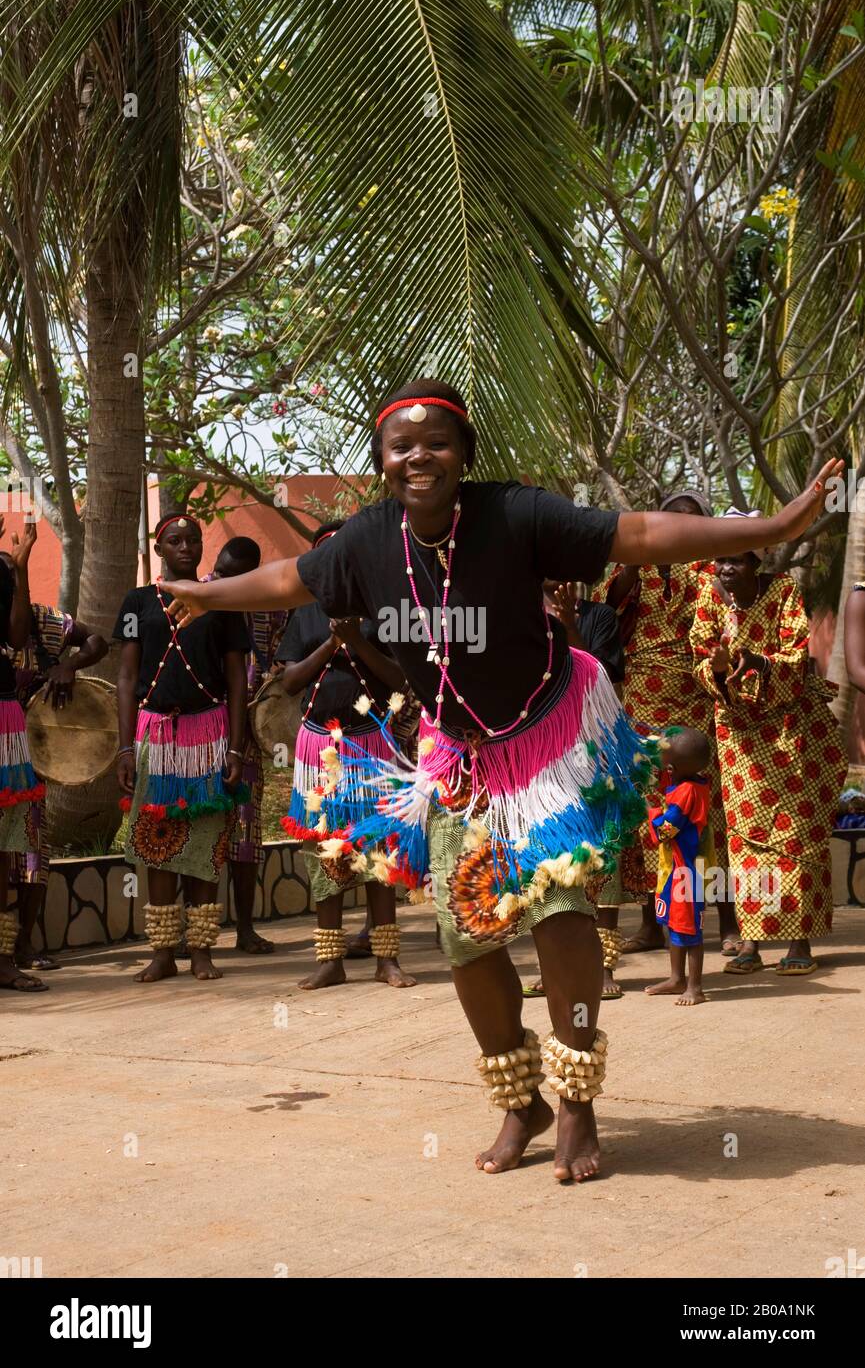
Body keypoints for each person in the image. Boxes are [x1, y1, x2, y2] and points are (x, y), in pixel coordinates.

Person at [161, 378, 839, 1183]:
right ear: (382, 462)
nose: (419, 457)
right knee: (466, 938)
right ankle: (522, 1103)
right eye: (401, 445)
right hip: (459, 759)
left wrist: (778, 522)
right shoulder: (367, 541)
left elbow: (644, 533)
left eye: (437, 442)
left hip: (549, 741)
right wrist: (203, 593)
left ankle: (578, 1102)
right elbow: (286, 581)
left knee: (558, 913)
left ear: (464, 455)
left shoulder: (518, 513)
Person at [690, 535, 845, 976]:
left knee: (795, 835)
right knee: (743, 837)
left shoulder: (782, 591)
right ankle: (751, 943)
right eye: (720, 560)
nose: (725, 569)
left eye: (735, 561)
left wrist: (756, 662)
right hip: (737, 733)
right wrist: (717, 669)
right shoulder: (709, 598)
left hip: (789, 728)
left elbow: (797, 656)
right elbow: (700, 656)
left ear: (755, 562)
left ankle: (800, 940)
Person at [599, 490, 737, 960]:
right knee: (651, 811)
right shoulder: (637, 568)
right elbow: (607, 610)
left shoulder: (711, 570)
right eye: (671, 520)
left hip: (694, 694)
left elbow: (726, 621)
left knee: (704, 809)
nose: (681, 528)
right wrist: (635, 563)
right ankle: (654, 922)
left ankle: (727, 923)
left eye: (692, 521)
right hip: (642, 697)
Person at [278, 520, 416, 989]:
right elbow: (290, 681)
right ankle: (330, 961)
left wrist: (357, 639)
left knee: (377, 851)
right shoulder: (304, 613)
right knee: (326, 850)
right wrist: (333, 642)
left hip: (371, 743)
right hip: (318, 744)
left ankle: (386, 959)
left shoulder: (383, 610)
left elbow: (401, 680)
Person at [114, 513, 249, 982]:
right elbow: (127, 678)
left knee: (206, 840)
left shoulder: (222, 602)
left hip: (208, 735)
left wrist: (236, 748)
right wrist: (125, 748)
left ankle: (202, 951)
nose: (186, 548)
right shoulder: (137, 602)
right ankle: (163, 952)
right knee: (158, 842)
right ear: (159, 549)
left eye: (193, 540)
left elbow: (237, 681)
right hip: (156, 737)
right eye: (175, 541)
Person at [0, 523, 108, 972]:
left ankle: (23, 946)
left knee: (31, 855)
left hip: (34, 761)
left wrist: (69, 664)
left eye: (11, 581)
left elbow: (99, 641)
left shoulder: (46, 621)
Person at [522, 579, 625, 999]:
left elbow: (603, 675)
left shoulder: (598, 615)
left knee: (602, 849)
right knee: (546, 851)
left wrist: (570, 629)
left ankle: (602, 969)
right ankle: (554, 967)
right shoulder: (516, 611)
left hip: (592, 742)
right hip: (537, 744)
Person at [208, 536, 288, 955]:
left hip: (251, 738)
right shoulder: (199, 597)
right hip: (198, 733)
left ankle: (244, 929)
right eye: (220, 575)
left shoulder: (271, 606)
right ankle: (192, 931)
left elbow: (286, 656)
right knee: (197, 826)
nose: (222, 582)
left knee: (245, 832)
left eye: (233, 578)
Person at [0, 537, 47, 992]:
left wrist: (18, 570)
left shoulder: (2, 571)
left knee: (1, 846)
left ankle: (3, 959)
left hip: (2, 717)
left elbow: (16, 636)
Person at [644, 726, 714, 1006]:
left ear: (671, 767)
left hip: (686, 873)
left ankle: (695, 987)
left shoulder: (686, 793)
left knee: (690, 930)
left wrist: (651, 812)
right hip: (678, 869)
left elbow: (666, 830)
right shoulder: (695, 782)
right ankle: (676, 979)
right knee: (676, 926)